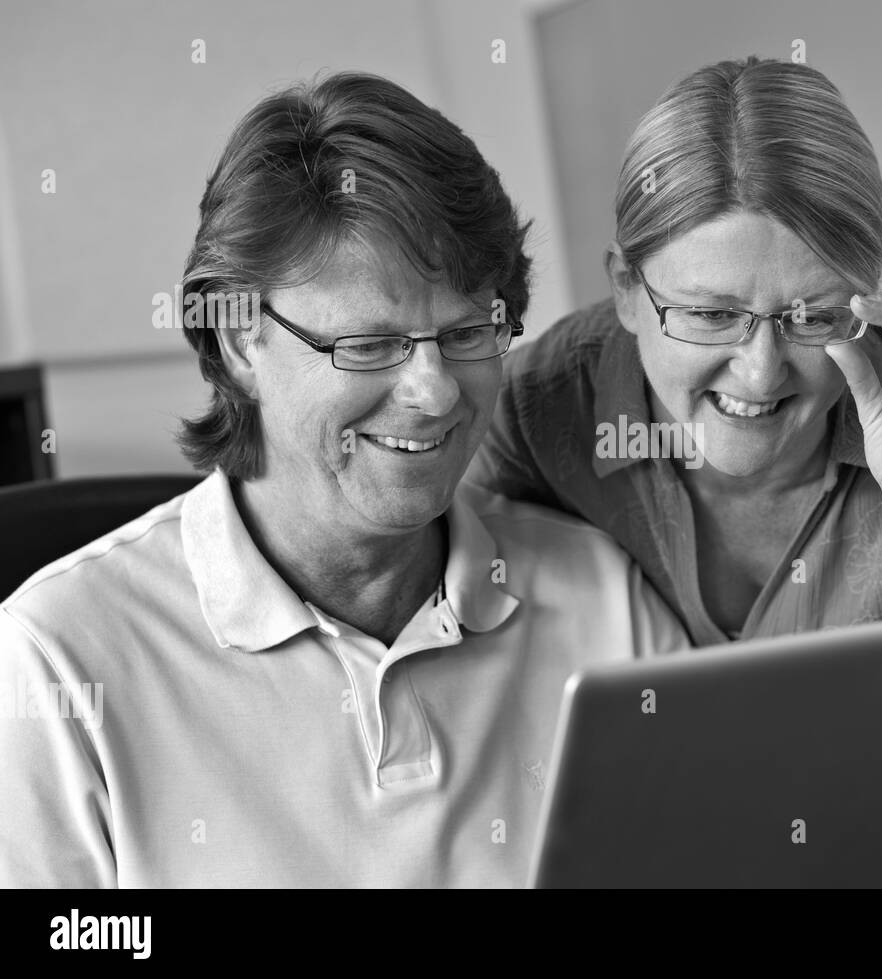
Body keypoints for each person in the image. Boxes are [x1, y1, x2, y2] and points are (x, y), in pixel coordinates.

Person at [0, 71, 688, 888]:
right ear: (238, 343)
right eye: (368, 344)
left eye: (469, 331)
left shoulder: (605, 602)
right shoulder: (57, 656)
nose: (434, 393)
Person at [469, 57, 882, 647]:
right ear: (624, 288)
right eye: (712, 315)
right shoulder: (529, 403)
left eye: (813, 317)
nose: (762, 373)